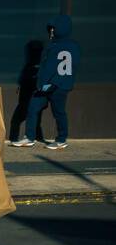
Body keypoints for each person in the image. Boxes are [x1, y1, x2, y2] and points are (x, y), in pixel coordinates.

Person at [11, 14, 78, 150]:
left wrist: (46, 82)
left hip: (54, 86)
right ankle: (30, 138)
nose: (51, 31)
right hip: (52, 86)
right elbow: (72, 68)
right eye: (50, 29)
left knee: (58, 112)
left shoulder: (54, 47)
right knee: (33, 108)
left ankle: (61, 140)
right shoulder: (73, 46)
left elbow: (50, 68)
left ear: (61, 29)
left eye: (54, 29)